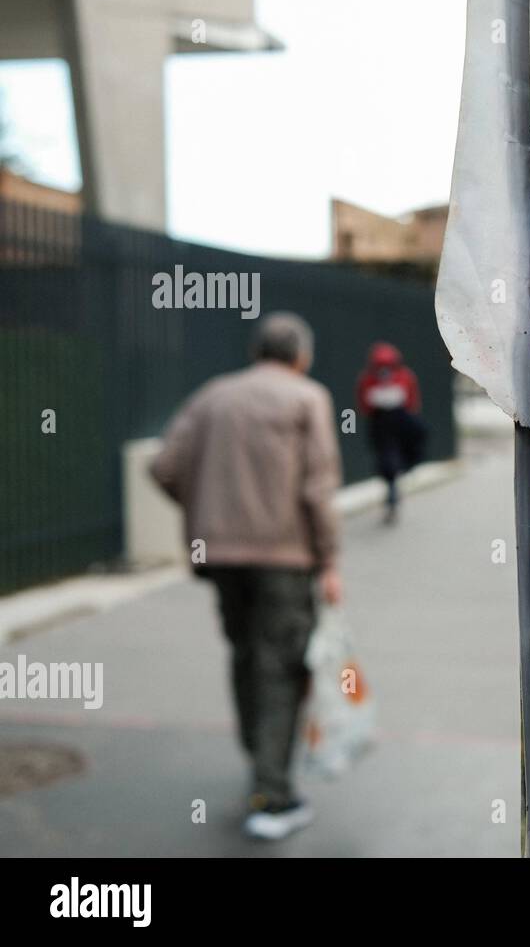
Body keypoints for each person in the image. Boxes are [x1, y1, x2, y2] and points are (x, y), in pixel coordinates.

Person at [150, 312, 343, 841]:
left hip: (222, 560)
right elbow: (317, 490)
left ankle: (260, 764)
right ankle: (274, 798)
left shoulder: (214, 395)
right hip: (285, 559)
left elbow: (164, 466)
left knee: (245, 658)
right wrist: (329, 561)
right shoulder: (308, 398)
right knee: (280, 667)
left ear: (258, 351)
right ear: (301, 355)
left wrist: (205, 515)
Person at [355, 342, 425, 524]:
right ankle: (392, 493)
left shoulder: (405, 376)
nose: (384, 372)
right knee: (388, 460)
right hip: (381, 424)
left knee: (415, 439)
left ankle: (400, 475)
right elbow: (364, 405)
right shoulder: (366, 379)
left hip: (401, 421)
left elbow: (412, 402)